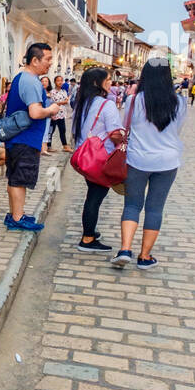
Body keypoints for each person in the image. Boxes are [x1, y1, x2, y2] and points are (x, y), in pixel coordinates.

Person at [111, 59, 186, 270]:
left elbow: (127, 127)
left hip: (137, 159)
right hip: (168, 161)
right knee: (155, 208)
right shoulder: (179, 102)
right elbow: (177, 130)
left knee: (132, 205)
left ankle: (125, 249)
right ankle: (145, 256)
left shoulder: (134, 101)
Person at [2, 42, 60, 232]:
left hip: (17, 139)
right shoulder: (31, 81)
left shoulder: (21, 77)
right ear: (35, 60)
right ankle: (18, 218)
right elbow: (35, 113)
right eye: (48, 59)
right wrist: (51, 109)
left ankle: (14, 214)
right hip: (25, 139)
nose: (50, 63)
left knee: (14, 178)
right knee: (20, 180)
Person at [71, 66, 125, 253]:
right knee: (95, 197)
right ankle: (87, 239)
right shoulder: (106, 104)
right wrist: (124, 138)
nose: (111, 83)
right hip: (101, 158)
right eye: (108, 79)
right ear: (97, 82)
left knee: (93, 194)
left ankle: (91, 231)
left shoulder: (82, 102)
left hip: (85, 156)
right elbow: (114, 133)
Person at [47, 73, 72, 152]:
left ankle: (65, 146)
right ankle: (48, 146)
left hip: (61, 113)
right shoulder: (52, 92)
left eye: (61, 80)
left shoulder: (64, 91)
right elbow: (52, 103)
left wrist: (63, 102)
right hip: (54, 113)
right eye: (58, 81)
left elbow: (67, 101)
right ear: (55, 82)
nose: (60, 82)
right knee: (51, 130)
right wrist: (62, 102)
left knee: (62, 130)